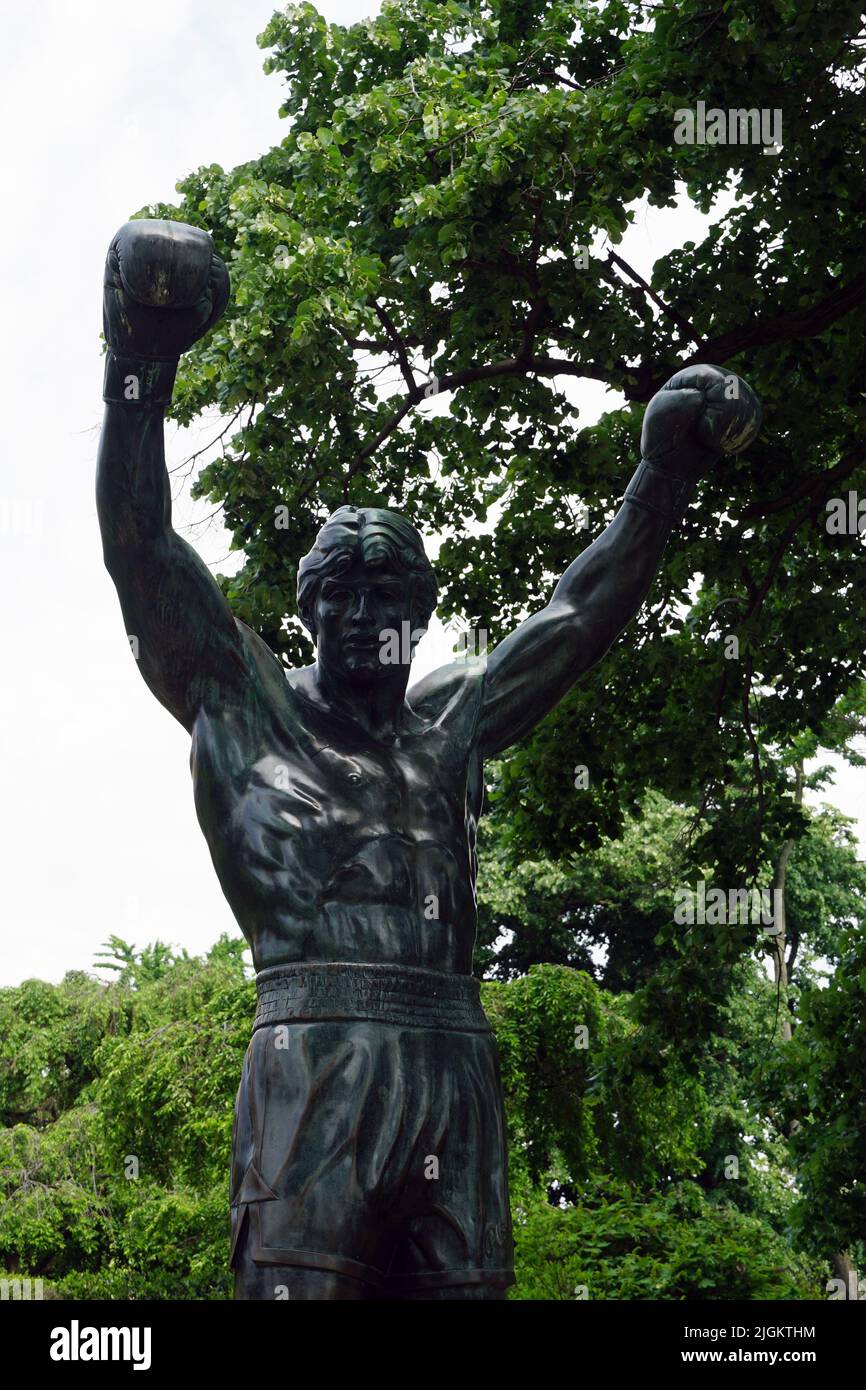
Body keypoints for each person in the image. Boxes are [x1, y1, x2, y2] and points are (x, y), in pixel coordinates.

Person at [97, 219, 761, 1300]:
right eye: (341, 598)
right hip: (311, 1060)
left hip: (451, 1058)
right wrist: (139, 363)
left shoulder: (452, 718)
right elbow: (141, 550)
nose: (364, 620)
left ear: (423, 612)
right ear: (306, 610)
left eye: (390, 598)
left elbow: (575, 616)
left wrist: (661, 477)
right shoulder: (243, 698)